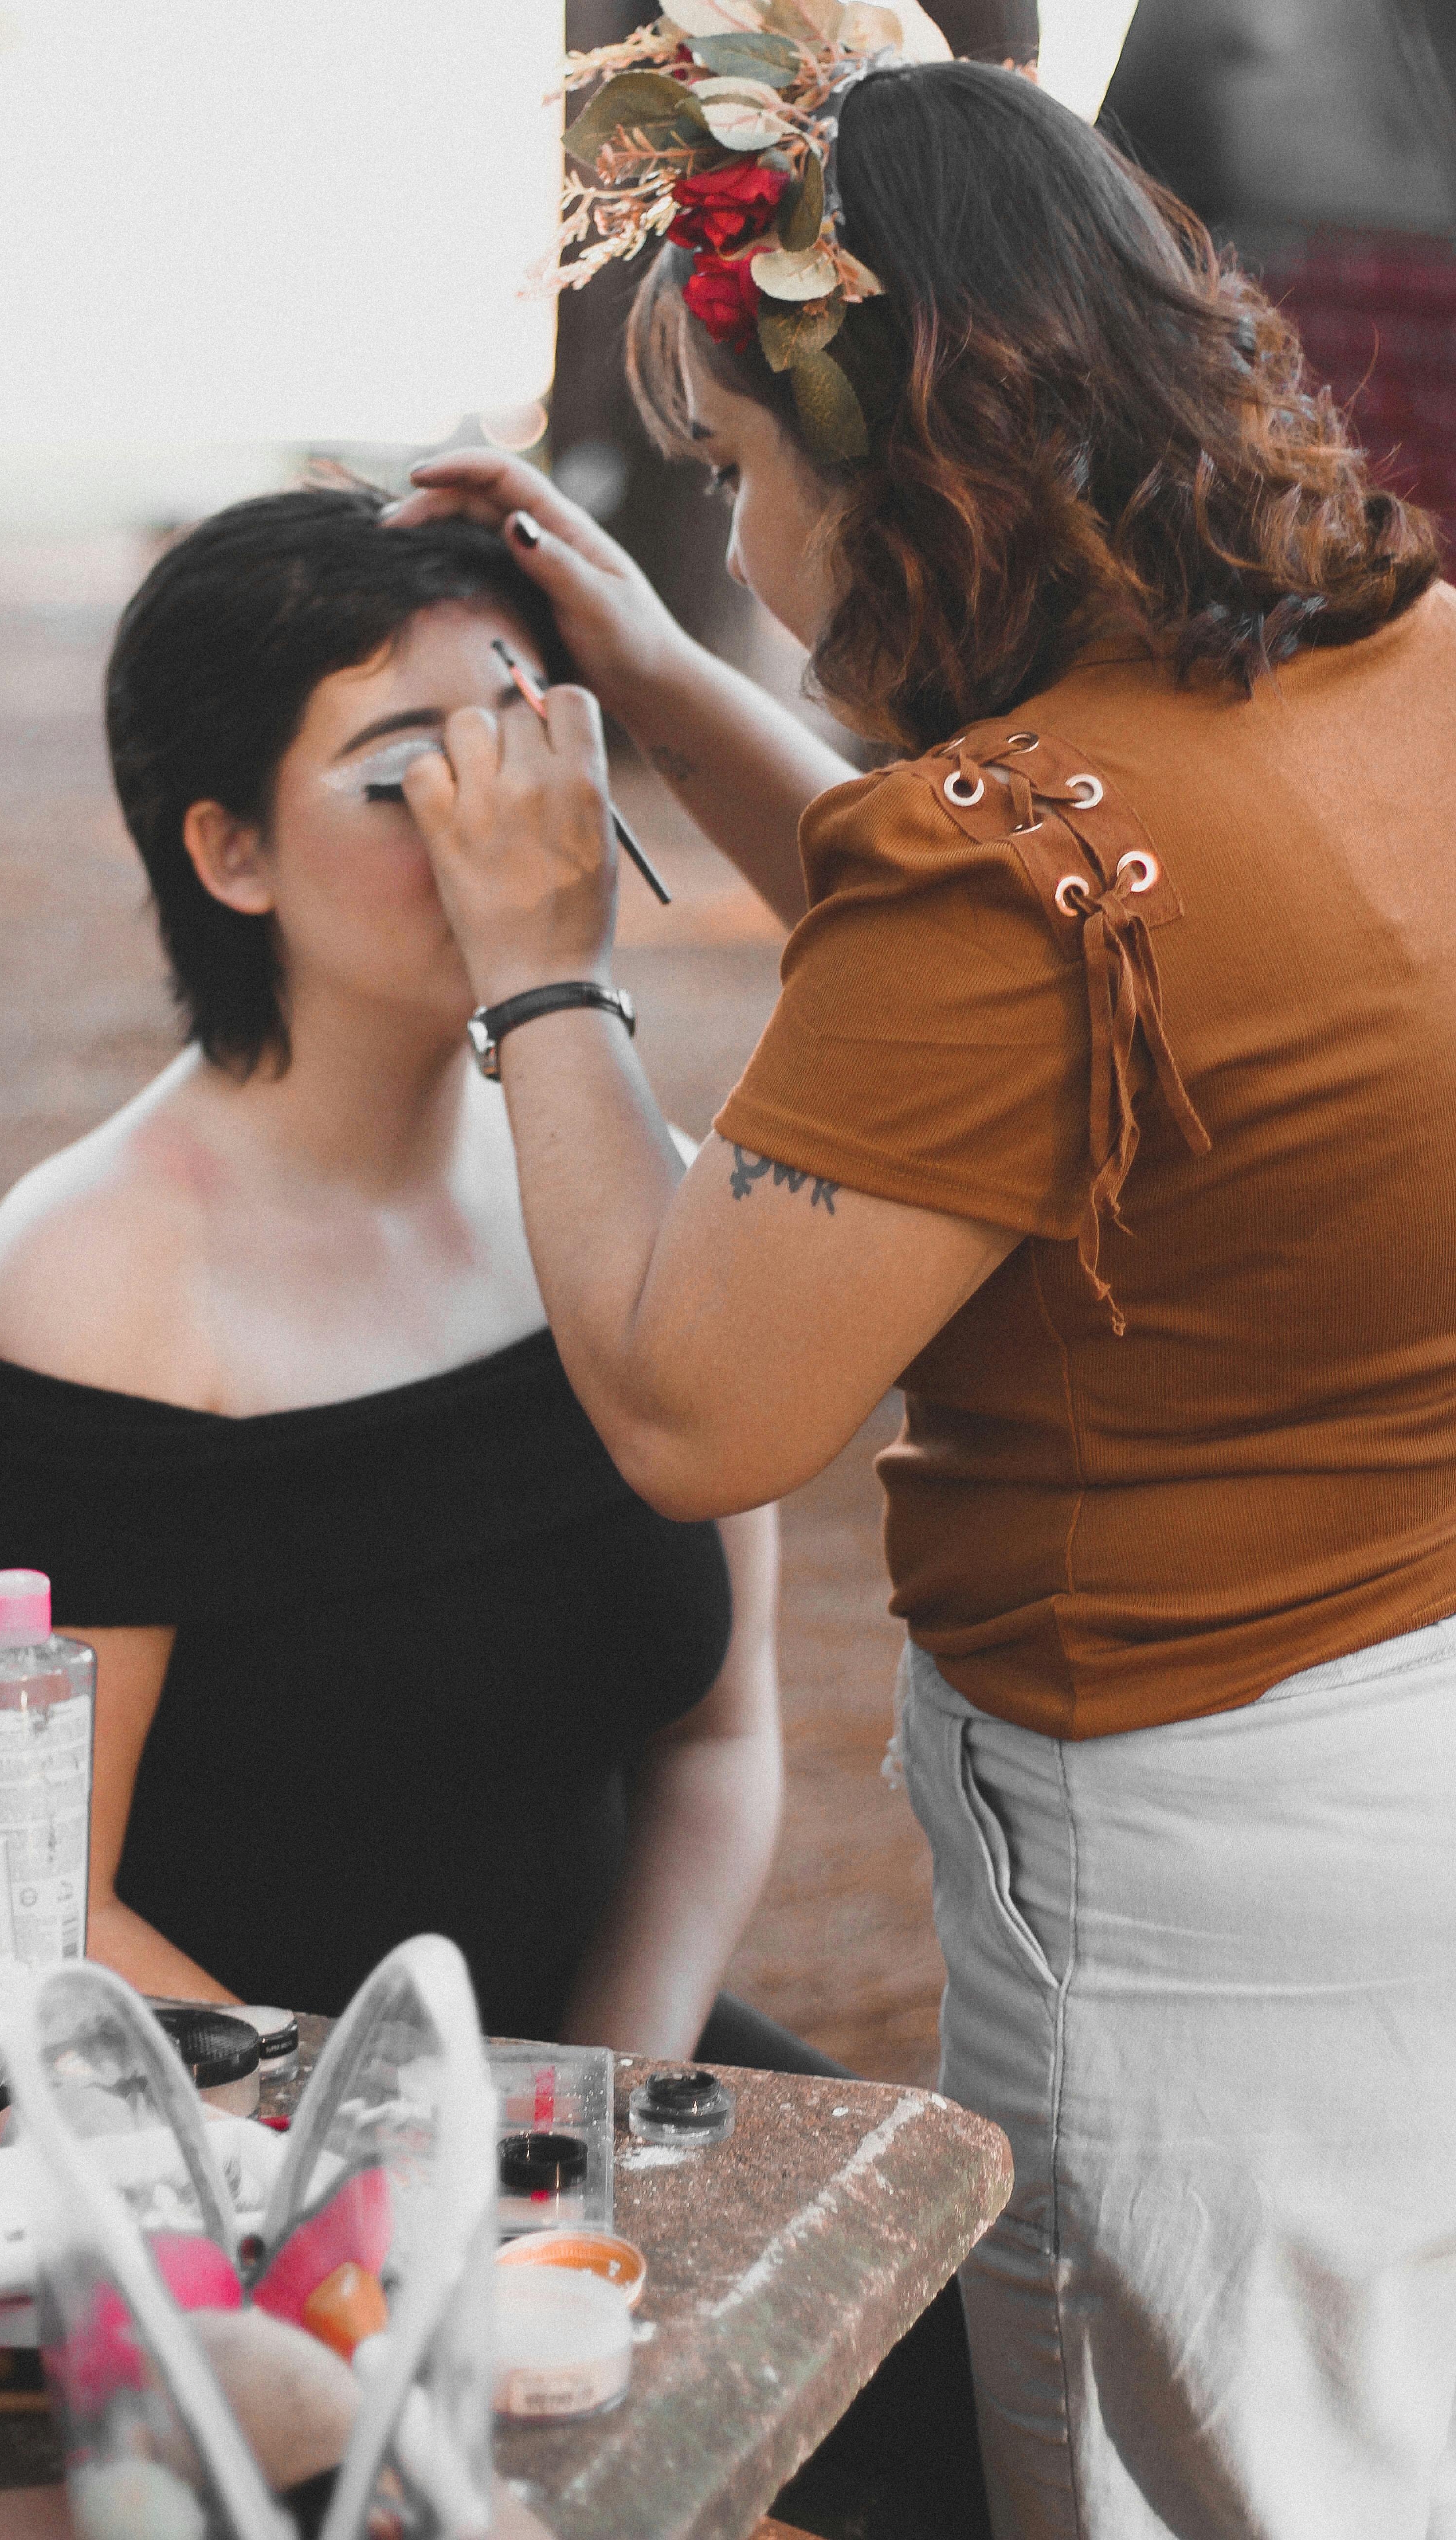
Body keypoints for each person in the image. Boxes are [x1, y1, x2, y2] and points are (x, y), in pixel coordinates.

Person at [379, 49, 1456, 2540]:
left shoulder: (1021, 864)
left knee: (1180, 2482)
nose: (744, 547)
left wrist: (547, 975)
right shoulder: (1377, 674)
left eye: (749, 477)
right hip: (1410, 1726)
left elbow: (688, 1403)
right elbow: (1037, 984)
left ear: (910, 463)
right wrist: (666, 683)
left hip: (1181, 1847)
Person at [0, 488, 791, 2067]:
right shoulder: (93, 1288)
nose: (503, 818)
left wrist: (598, 2102)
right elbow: (3, 1901)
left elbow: (720, 1741)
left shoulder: (619, 1169)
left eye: (523, 735)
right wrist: (412, 2152)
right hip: (236, 2154)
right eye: (407, 773)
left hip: (602, 2093)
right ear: (231, 855)